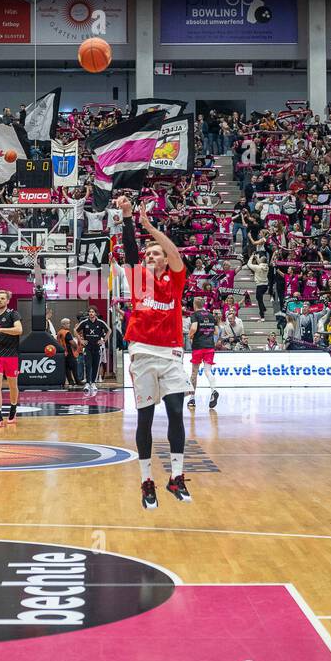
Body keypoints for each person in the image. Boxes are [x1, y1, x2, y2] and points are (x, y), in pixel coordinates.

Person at [116, 195, 191, 510]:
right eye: (148, 253)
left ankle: (176, 476)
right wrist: (129, 217)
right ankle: (147, 480)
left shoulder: (174, 281)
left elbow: (174, 253)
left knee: (176, 410)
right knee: (144, 420)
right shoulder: (138, 280)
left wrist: (150, 226)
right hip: (143, 353)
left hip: (171, 353)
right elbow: (131, 249)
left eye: (154, 253)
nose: (149, 255)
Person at [0, 289, 22, 429]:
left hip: (11, 354)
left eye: (2, 298)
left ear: (7, 301)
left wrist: (0, 330)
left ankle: (13, 409)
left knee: (13, 385)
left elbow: (19, 330)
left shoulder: (13, 314)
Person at [186, 296, 220, 410]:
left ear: (195, 305)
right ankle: (214, 390)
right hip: (210, 346)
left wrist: (190, 335)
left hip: (198, 346)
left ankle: (192, 398)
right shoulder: (210, 315)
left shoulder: (195, 315)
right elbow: (216, 331)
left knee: (194, 373)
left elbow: (194, 328)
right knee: (208, 371)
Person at [76, 305, 109, 396]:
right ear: (88, 313)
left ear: (95, 313)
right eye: (90, 312)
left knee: (95, 365)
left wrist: (103, 340)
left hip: (97, 347)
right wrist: (81, 340)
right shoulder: (84, 322)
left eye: (93, 312)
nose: (91, 313)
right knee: (88, 365)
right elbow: (75, 330)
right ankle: (87, 383)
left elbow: (109, 330)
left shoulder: (100, 322)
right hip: (88, 347)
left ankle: (93, 383)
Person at [57, 318, 81, 388]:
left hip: (63, 353)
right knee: (74, 365)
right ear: (63, 324)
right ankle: (77, 381)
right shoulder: (67, 332)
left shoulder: (59, 332)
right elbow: (72, 342)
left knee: (67, 367)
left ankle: (70, 381)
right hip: (69, 352)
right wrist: (76, 346)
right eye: (68, 323)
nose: (69, 325)